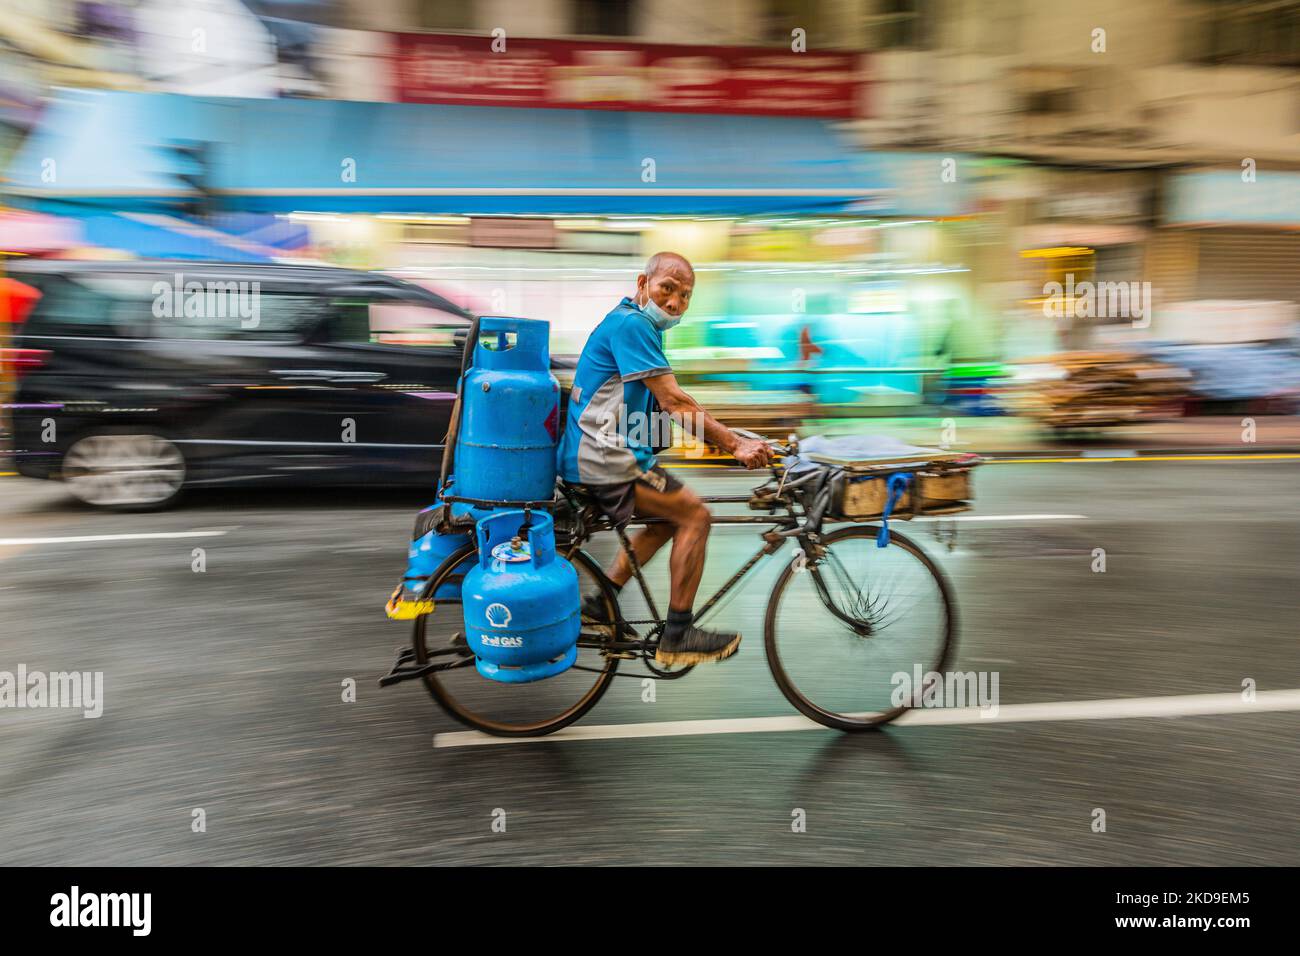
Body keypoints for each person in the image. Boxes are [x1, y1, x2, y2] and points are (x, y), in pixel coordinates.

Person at [558, 252, 772, 665]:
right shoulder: (634, 325)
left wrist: (729, 435)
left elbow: (665, 403)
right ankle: (678, 633)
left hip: (603, 452)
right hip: (603, 458)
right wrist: (734, 445)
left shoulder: (636, 324)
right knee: (695, 515)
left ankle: (602, 601)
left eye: (685, 296)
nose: (675, 302)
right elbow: (674, 401)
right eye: (667, 289)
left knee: (664, 518)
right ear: (643, 283)